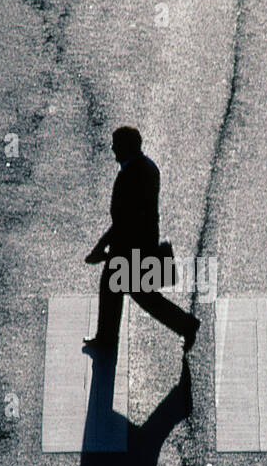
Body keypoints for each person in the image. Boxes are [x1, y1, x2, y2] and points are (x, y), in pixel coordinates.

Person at [83, 126, 199, 354]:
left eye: (116, 144)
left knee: (119, 289)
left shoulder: (130, 175)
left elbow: (123, 219)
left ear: (127, 147)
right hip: (141, 243)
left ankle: (107, 339)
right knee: (140, 295)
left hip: (129, 247)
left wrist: (100, 246)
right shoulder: (147, 168)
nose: (112, 149)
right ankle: (185, 325)